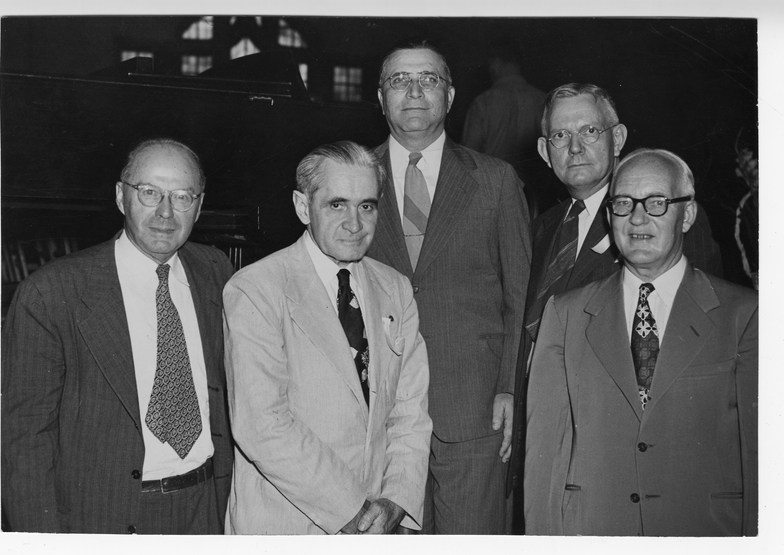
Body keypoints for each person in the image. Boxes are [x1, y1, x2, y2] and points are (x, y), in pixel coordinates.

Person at [508, 84, 723, 528]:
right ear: (545, 153)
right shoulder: (542, 228)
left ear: (618, 138)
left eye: (589, 129)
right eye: (561, 136)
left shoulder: (656, 220)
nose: (576, 146)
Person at [1, 138, 235, 534]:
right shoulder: (53, 292)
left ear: (198, 205)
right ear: (121, 197)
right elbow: (23, 439)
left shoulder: (216, 271)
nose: (165, 212)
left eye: (181, 196)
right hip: (106, 516)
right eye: (149, 193)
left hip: (208, 509)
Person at [524, 148, 757, 536]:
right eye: (622, 203)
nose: (637, 217)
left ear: (688, 214)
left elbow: (759, 459)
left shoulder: (745, 315)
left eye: (656, 202)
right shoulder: (565, 314)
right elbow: (543, 460)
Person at [223, 141, 432, 535]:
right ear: (304, 207)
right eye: (337, 204)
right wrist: (352, 510)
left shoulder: (396, 288)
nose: (354, 223)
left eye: (366, 205)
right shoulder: (257, 288)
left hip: (376, 525)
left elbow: (410, 412)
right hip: (286, 523)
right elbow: (263, 427)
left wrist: (396, 501)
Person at [366, 40, 531, 534]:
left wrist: (509, 387)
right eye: (399, 80)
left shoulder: (496, 180)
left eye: (429, 80)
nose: (414, 91)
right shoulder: (352, 177)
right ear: (380, 98)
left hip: (475, 409)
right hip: (382, 411)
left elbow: (520, 295)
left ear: (451, 95)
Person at [460, 36, 550, 215]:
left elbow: (466, 158)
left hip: (494, 195)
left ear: (495, 63)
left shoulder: (484, 102)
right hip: (536, 199)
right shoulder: (543, 100)